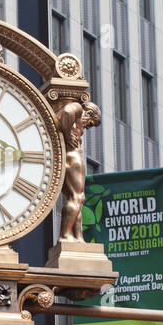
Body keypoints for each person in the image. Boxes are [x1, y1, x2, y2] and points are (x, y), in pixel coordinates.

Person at [57, 98, 102, 242]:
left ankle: (78, 237)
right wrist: (68, 133)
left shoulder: (77, 118)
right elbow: (65, 112)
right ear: (89, 113)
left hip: (69, 156)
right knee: (78, 197)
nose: (88, 127)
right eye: (91, 124)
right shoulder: (77, 108)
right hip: (72, 157)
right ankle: (65, 235)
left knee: (76, 198)